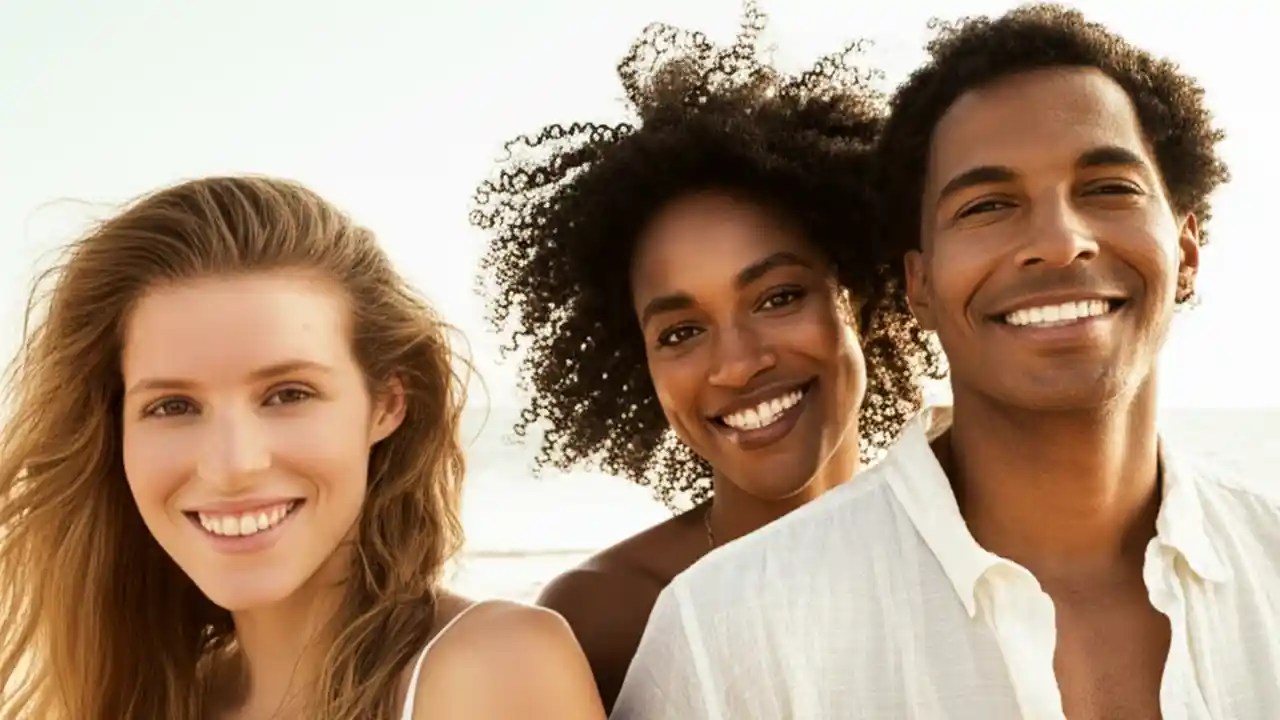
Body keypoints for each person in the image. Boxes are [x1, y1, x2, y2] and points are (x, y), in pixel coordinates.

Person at [613, 5, 1279, 719]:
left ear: (1186, 250)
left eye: (1108, 188)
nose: (1059, 242)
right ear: (918, 285)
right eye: (987, 205)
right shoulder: (730, 637)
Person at [472, 2, 942, 711]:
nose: (736, 364)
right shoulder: (601, 621)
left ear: (863, 295)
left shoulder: (969, 561)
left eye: (778, 297)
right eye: (680, 332)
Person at [0, 176, 606, 720]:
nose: (234, 464)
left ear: (387, 404)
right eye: (172, 406)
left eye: (287, 395)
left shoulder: (491, 668)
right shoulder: (149, 696)